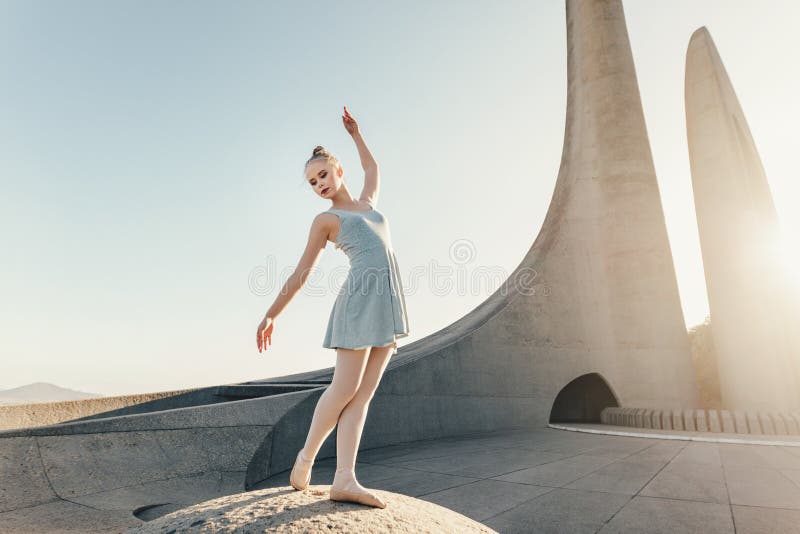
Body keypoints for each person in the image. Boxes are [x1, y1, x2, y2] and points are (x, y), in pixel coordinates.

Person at [256, 106, 410, 509]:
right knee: (343, 389)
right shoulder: (326, 220)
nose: (319, 184)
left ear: (338, 170)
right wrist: (273, 312)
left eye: (323, 174)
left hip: (388, 304)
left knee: (363, 396)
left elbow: (373, 165)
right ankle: (305, 459)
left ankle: (345, 479)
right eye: (312, 182)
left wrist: (356, 133)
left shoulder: (368, 203)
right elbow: (302, 272)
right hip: (359, 303)